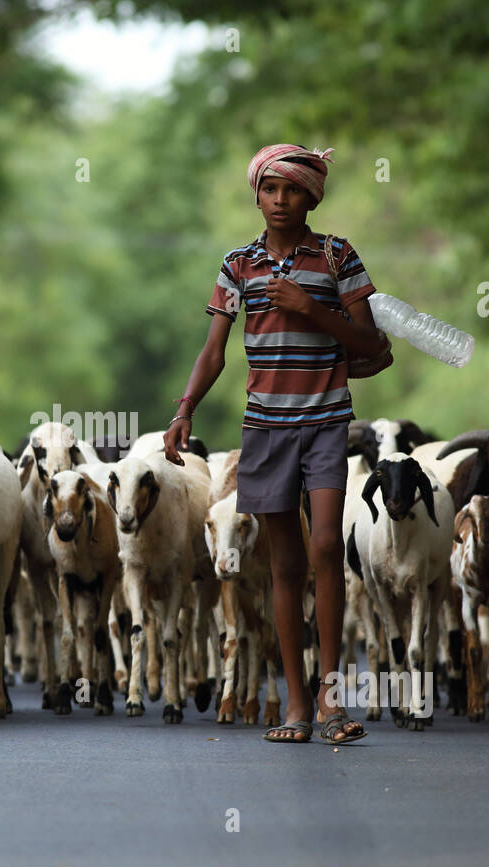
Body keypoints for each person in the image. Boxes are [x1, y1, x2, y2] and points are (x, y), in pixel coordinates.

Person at [163, 143, 390, 745]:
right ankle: (295, 701)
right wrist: (184, 410)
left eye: (292, 191)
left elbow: (368, 343)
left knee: (323, 549)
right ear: (257, 196)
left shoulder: (336, 255)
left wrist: (312, 308)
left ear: (312, 197)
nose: (280, 201)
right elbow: (214, 350)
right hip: (264, 430)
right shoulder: (238, 265)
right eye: (270, 190)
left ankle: (331, 696)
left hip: (325, 424)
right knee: (284, 565)